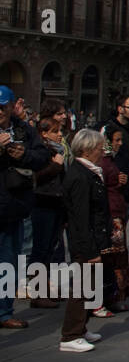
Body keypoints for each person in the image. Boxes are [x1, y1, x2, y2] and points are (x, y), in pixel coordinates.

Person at [1, 85, 52, 330]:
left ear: (12, 107)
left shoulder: (23, 130)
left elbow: (42, 157)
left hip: (14, 207)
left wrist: (22, 154)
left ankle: (4, 312)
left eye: (2, 107)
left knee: (9, 262)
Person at [59, 128, 114, 352]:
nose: (103, 151)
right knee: (81, 287)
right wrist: (90, 250)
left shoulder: (88, 172)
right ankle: (70, 334)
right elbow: (80, 218)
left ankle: (81, 328)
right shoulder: (80, 176)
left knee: (90, 285)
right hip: (85, 241)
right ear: (88, 149)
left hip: (93, 237)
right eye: (100, 147)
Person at [29, 117, 67, 310]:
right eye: (55, 131)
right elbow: (35, 178)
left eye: (60, 131)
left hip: (56, 203)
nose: (60, 134)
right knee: (41, 249)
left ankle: (44, 289)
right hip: (43, 202)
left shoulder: (59, 151)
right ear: (44, 133)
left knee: (50, 249)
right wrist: (56, 166)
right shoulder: (41, 152)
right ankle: (37, 292)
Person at [99, 130, 129, 311]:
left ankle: (115, 295)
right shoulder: (102, 161)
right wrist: (115, 181)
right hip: (110, 213)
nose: (119, 143)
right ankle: (109, 296)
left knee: (117, 256)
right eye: (116, 140)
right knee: (112, 257)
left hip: (117, 210)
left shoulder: (111, 159)